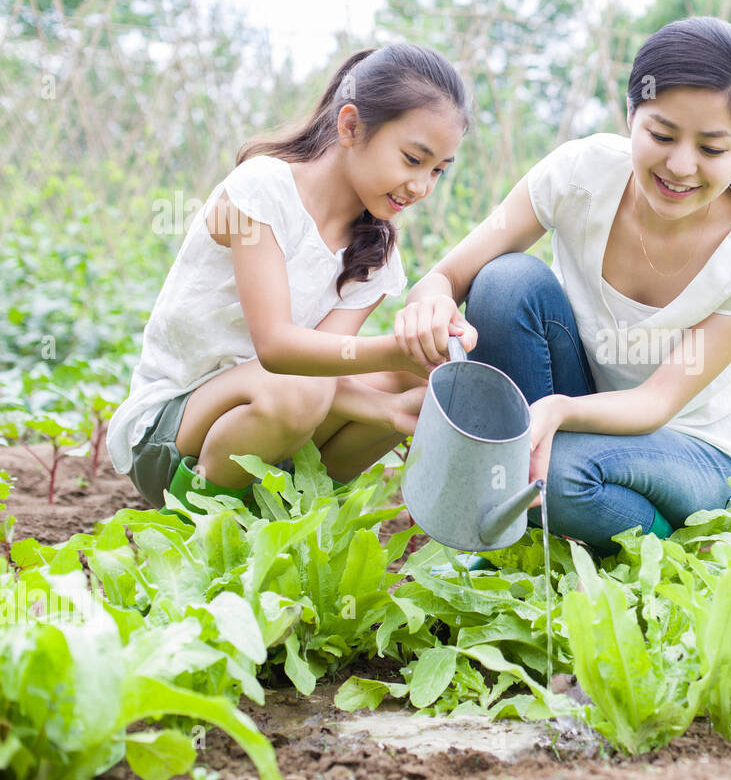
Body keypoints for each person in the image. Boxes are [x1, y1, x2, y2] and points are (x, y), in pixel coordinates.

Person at [395, 16, 731, 555]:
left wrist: (557, 413)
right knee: (505, 282)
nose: (681, 166)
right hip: (584, 405)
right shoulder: (580, 174)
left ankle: (666, 543)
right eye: (662, 135)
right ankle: (537, 501)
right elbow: (446, 275)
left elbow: (655, 403)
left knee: (560, 476)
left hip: (691, 447)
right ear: (630, 114)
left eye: (713, 149)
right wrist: (428, 300)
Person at [106, 44, 470, 515]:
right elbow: (278, 350)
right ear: (351, 126)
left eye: (438, 171)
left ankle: (288, 516)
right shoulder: (262, 190)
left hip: (279, 417)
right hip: (171, 431)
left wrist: (400, 397)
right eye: (412, 159)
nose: (421, 187)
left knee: (415, 376)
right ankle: (199, 528)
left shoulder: (375, 253)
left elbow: (326, 369)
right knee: (311, 383)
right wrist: (398, 349)